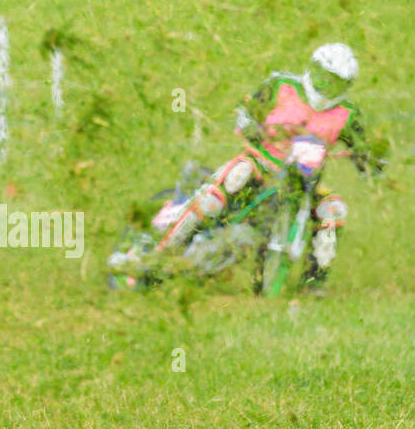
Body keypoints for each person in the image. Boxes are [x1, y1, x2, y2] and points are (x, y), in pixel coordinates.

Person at [156, 43, 387, 292]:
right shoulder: (281, 85)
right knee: (234, 179)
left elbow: (364, 147)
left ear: (346, 86)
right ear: (312, 69)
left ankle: (313, 283)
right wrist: (248, 124)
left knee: (334, 209)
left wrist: (370, 160)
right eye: (323, 77)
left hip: (306, 181)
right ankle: (161, 253)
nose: (326, 86)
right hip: (261, 165)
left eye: (336, 82)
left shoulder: (348, 114)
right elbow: (245, 109)